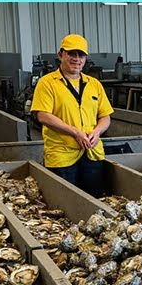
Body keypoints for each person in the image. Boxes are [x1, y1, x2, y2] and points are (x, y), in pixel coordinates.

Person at [31, 34, 115, 196]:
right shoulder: (48, 83)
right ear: (61, 54)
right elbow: (43, 115)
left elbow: (105, 116)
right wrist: (75, 132)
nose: (77, 59)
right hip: (62, 155)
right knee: (65, 202)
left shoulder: (94, 84)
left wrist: (97, 132)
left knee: (95, 199)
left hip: (92, 153)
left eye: (81, 55)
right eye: (72, 54)